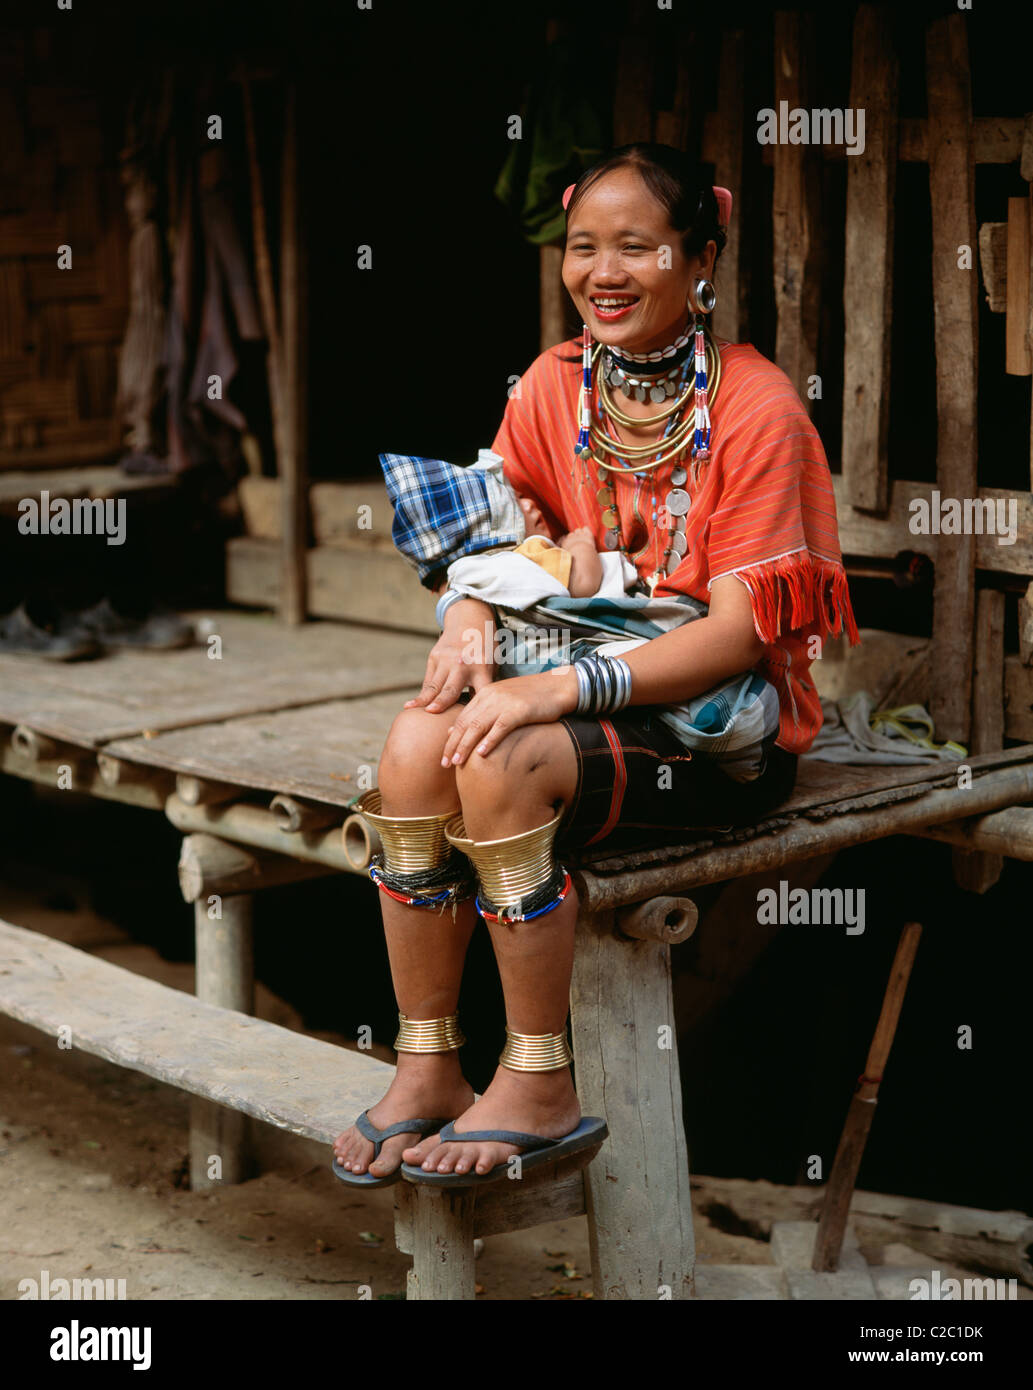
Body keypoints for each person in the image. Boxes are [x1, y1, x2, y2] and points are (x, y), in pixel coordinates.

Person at [332, 142, 858, 1189]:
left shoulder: (757, 409)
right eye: (582, 246)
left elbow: (740, 634)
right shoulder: (552, 384)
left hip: (716, 733)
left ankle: (537, 1078)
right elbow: (493, 528)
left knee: (502, 759)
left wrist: (555, 685)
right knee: (411, 745)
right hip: (582, 695)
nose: (601, 271)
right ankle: (429, 1059)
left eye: (636, 247)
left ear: (697, 259)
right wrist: (467, 616)